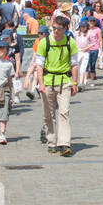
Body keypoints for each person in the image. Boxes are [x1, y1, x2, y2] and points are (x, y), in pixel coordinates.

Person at [33, 14, 79, 155]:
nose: (56, 31)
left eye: (59, 29)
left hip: (64, 81)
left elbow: (74, 64)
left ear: (65, 29)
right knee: (48, 114)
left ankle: (64, 144)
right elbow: (39, 65)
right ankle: (51, 141)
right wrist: (40, 84)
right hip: (48, 81)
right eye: (53, 28)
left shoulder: (70, 42)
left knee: (64, 112)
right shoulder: (44, 43)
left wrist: (75, 83)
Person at [81, 18, 101, 86]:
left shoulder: (98, 29)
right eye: (90, 21)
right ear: (88, 22)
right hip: (87, 49)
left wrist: (101, 50)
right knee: (86, 65)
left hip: (95, 49)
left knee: (92, 65)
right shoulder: (86, 29)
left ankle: (92, 81)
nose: (92, 22)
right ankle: (85, 80)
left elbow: (100, 39)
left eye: (93, 21)